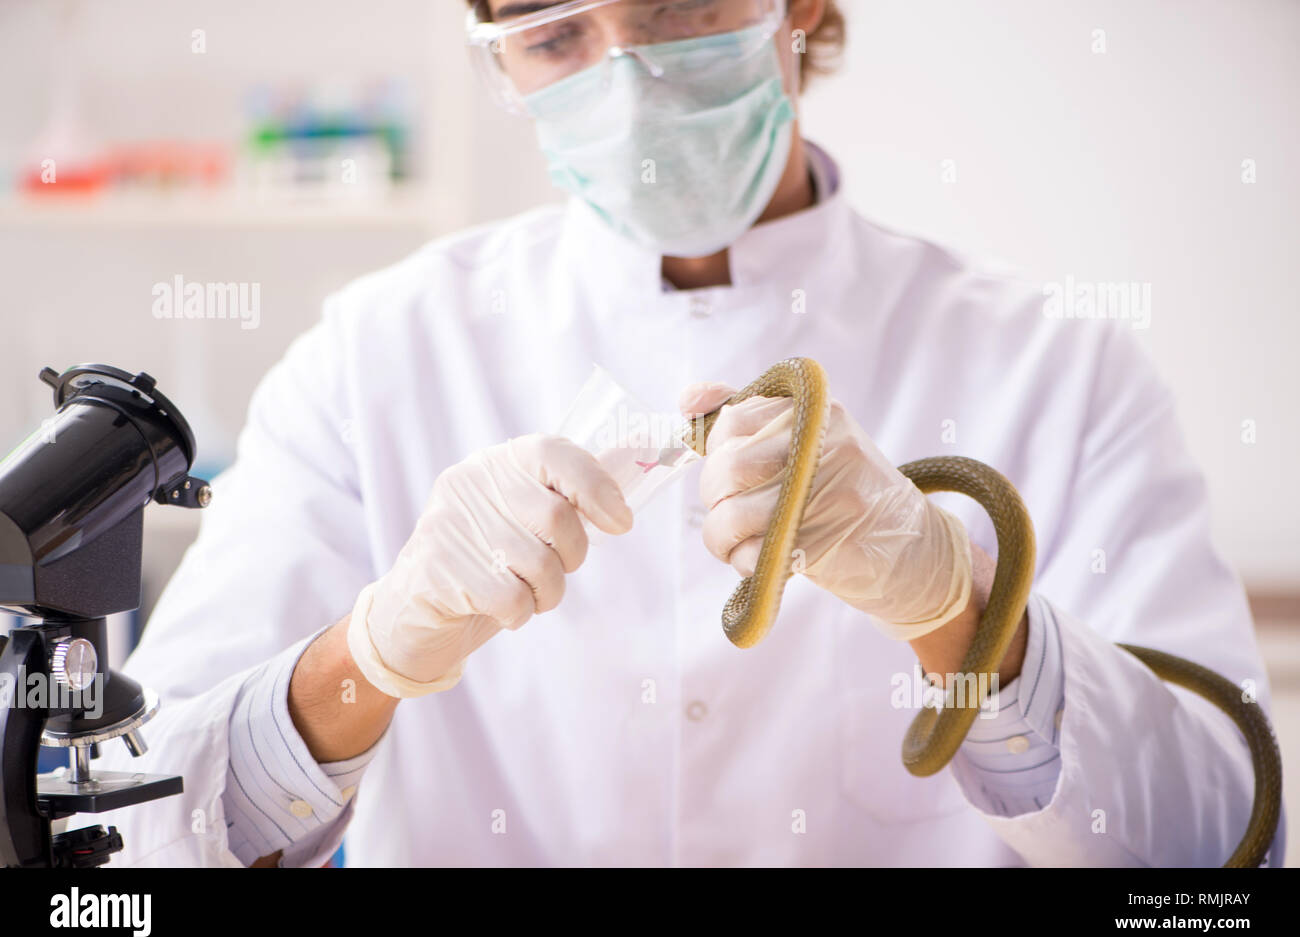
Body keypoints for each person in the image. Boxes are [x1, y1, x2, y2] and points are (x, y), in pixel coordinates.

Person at [92, 0, 1284, 866]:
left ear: (798, 9)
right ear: (499, 58)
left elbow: (1220, 854)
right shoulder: (373, 357)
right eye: (556, 34)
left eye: (677, 7)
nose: (628, 77)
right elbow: (131, 847)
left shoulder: (1061, 368)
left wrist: (959, 610)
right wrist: (372, 654)